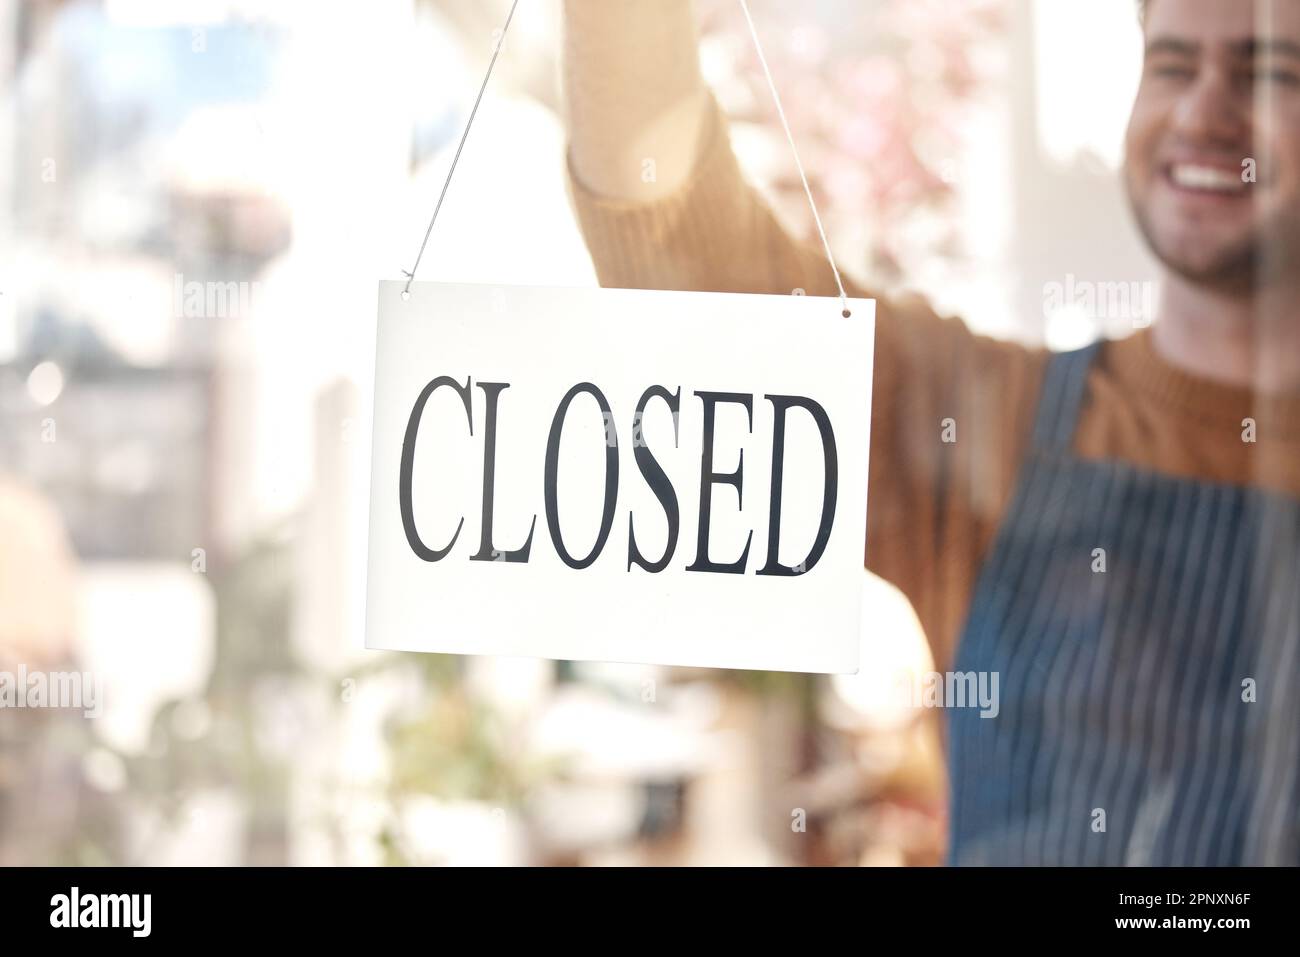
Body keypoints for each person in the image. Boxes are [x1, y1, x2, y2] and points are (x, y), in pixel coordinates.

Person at [561, 0, 1300, 864]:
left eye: (1271, 73)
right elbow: (690, 272)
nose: (1202, 112)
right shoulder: (990, 413)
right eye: (1172, 66)